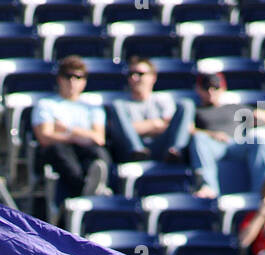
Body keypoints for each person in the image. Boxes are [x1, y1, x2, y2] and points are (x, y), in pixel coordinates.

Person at [32, 55, 114, 204]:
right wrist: (76, 136)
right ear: (59, 79)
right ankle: (86, 192)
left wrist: (68, 129)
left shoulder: (92, 105)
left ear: (84, 81)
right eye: (67, 76)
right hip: (59, 150)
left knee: (99, 153)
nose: (72, 81)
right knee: (58, 150)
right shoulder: (46, 104)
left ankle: (97, 189)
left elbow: (99, 139)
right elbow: (45, 137)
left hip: (84, 149)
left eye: (78, 77)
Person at [109, 56, 195, 164]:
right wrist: (155, 124)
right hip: (130, 153)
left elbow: (182, 127)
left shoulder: (163, 98)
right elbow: (119, 132)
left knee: (187, 104)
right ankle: (138, 151)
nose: (135, 78)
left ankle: (176, 152)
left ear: (153, 77)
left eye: (140, 74)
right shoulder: (121, 105)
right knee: (116, 105)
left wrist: (136, 127)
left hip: (162, 148)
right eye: (131, 74)